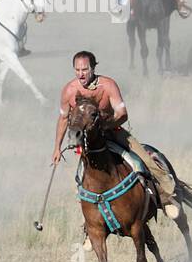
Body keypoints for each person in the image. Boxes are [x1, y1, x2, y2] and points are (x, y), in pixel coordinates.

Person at [52, 50, 181, 219]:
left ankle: (166, 196)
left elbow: (122, 114)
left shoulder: (107, 85)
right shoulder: (69, 90)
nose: (81, 74)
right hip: (88, 142)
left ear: (93, 68)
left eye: (84, 69)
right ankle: (89, 227)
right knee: (82, 179)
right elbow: (63, 118)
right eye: (77, 70)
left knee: (141, 159)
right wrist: (57, 148)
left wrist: (105, 125)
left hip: (112, 131)